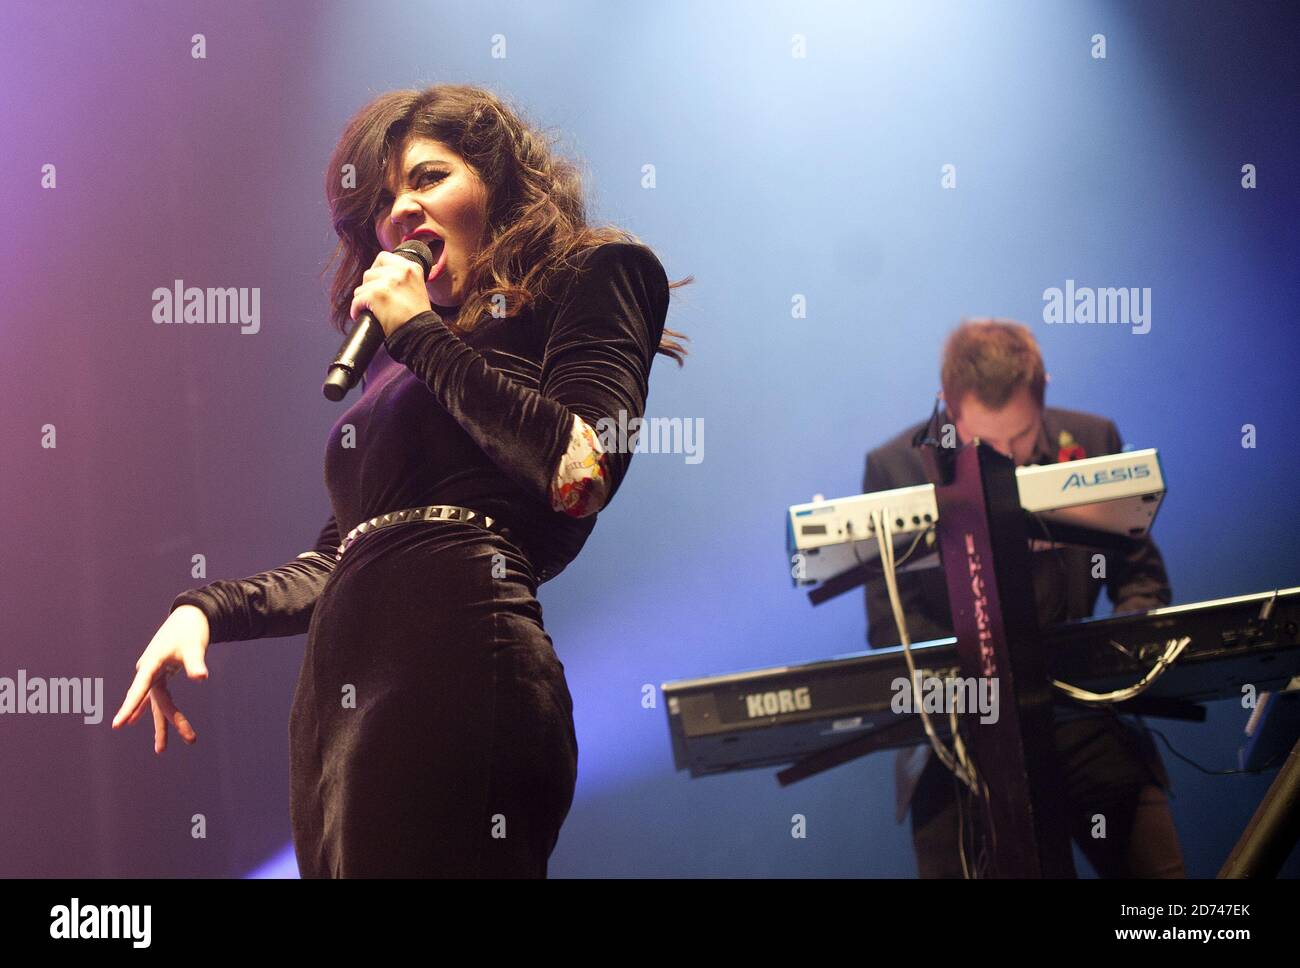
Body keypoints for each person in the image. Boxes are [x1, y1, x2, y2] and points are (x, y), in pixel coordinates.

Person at [111, 83, 691, 878]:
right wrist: (205, 609)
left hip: (459, 654)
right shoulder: (396, 362)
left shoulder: (594, 273)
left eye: (426, 178)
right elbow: (345, 553)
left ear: (496, 180)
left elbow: (581, 471)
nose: (400, 212)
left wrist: (419, 333)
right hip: (336, 702)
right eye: (384, 200)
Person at [862, 319, 1184, 878]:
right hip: (960, 728)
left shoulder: (1093, 440)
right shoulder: (893, 468)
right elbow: (891, 625)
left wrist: (1118, 653)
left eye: (1021, 438)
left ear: (1044, 394)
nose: (1006, 458)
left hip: (1082, 707)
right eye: (987, 445)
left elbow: (1142, 579)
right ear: (948, 408)